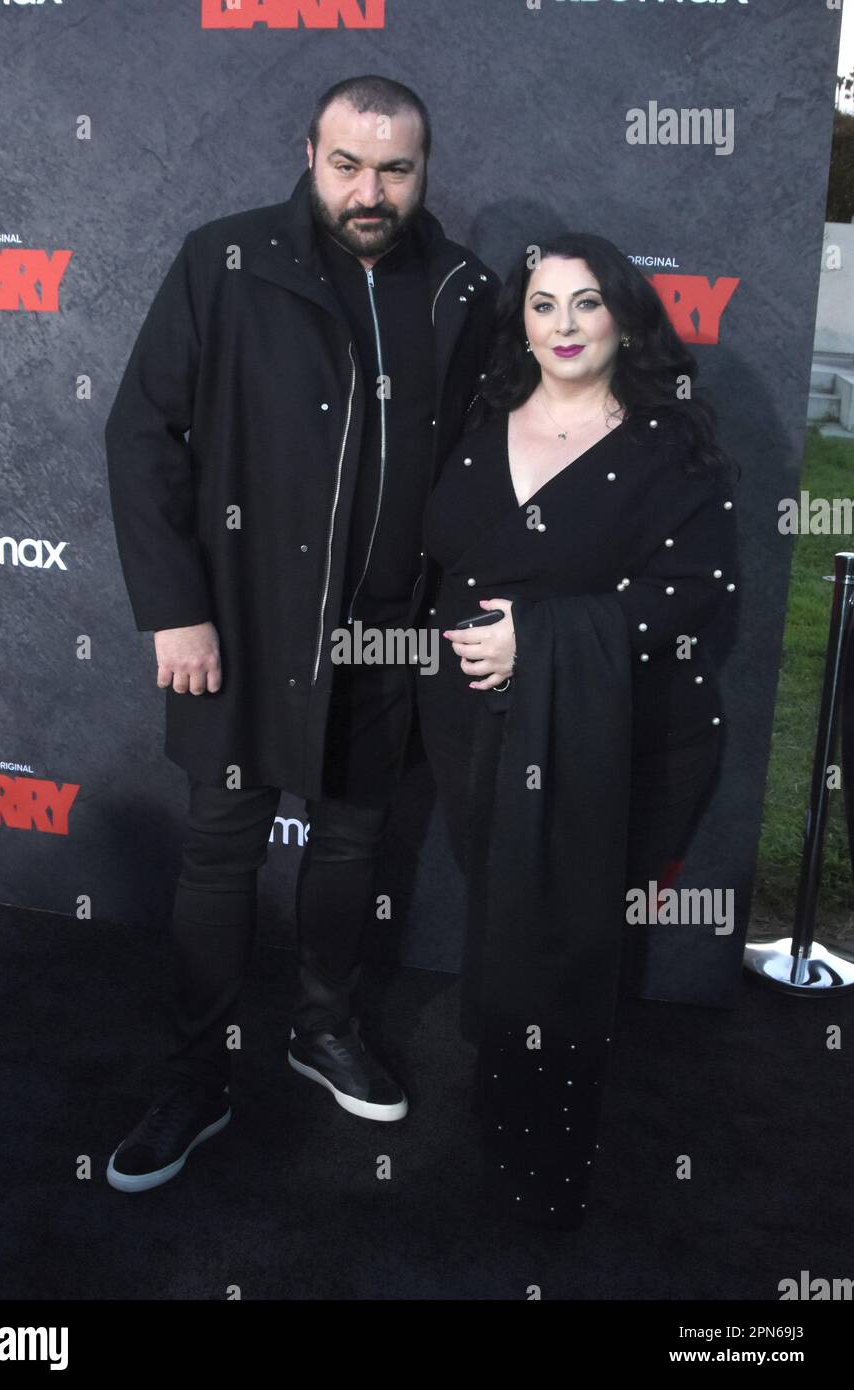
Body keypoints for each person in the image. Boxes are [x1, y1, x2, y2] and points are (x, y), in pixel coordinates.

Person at [102, 75, 499, 1192]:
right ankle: (194, 1074)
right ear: (309, 155)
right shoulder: (224, 260)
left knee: (351, 847)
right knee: (221, 850)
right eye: (348, 164)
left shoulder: (462, 287)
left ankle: (324, 1028)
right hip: (234, 625)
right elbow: (142, 435)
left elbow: (482, 468)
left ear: (425, 169)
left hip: (385, 637)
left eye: (396, 169)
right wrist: (173, 606)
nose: (371, 190)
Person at [415, 233, 739, 1229]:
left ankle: (547, 1166)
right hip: (471, 727)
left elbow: (692, 594)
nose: (562, 324)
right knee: (504, 914)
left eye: (585, 303)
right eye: (543, 303)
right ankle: (497, 1114)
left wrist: (539, 643)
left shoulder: (668, 443)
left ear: (623, 316)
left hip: (610, 737)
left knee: (568, 935)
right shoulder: (480, 417)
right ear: (519, 318)